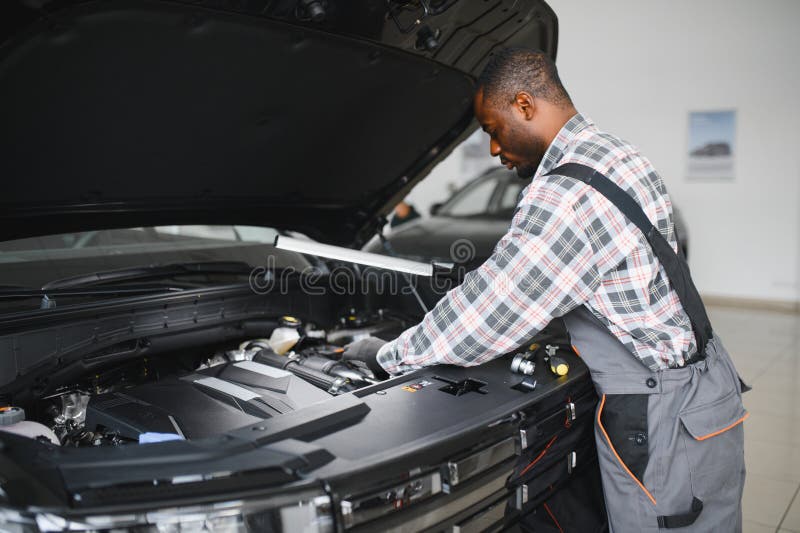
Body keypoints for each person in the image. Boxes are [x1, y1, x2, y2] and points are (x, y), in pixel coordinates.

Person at [344, 48, 747, 531]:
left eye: (493, 130)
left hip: (661, 411)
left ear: (524, 105)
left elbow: (488, 311)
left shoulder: (565, 193)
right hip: (705, 392)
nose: (494, 149)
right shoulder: (614, 153)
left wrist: (386, 355)